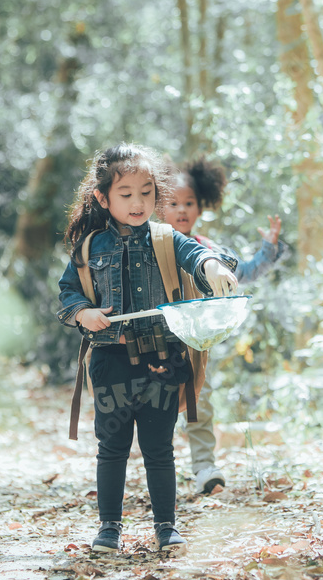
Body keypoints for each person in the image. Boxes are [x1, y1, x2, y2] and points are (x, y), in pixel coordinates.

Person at [57, 144, 237, 554]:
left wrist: (211, 265)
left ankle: (166, 526)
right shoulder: (89, 248)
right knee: (112, 447)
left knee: (159, 448)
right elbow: (67, 294)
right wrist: (83, 313)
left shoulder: (165, 237)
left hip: (162, 362)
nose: (138, 202)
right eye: (126, 194)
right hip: (109, 363)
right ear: (103, 198)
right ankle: (108, 528)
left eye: (146, 192)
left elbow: (195, 254)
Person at [161, 156, 285, 494]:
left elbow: (242, 273)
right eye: (172, 203)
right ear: (158, 207)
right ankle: (159, 471)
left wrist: (268, 249)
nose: (181, 210)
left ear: (201, 208)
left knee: (200, 403)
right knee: (156, 412)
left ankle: (204, 467)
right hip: (153, 346)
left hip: (195, 348)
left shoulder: (209, 250)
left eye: (189, 203)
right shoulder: (150, 248)